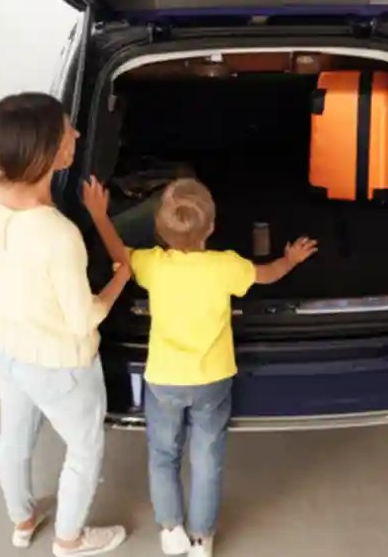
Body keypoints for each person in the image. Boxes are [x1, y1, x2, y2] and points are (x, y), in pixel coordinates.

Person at [82, 177, 317, 557]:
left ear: (158, 229)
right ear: (211, 227)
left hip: (164, 380)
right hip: (212, 380)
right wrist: (290, 259)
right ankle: (201, 538)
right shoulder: (226, 266)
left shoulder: (153, 264)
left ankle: (170, 530)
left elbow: (119, 255)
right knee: (207, 458)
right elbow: (267, 274)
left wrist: (98, 214)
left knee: (163, 454)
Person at [0, 92, 130, 555]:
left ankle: (23, 521)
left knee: (14, 436)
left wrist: (11, 280)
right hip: (57, 365)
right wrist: (121, 276)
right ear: (52, 151)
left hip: (3, 347)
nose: (77, 134)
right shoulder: (57, 233)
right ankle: (70, 539)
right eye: (69, 128)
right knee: (85, 450)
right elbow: (83, 318)